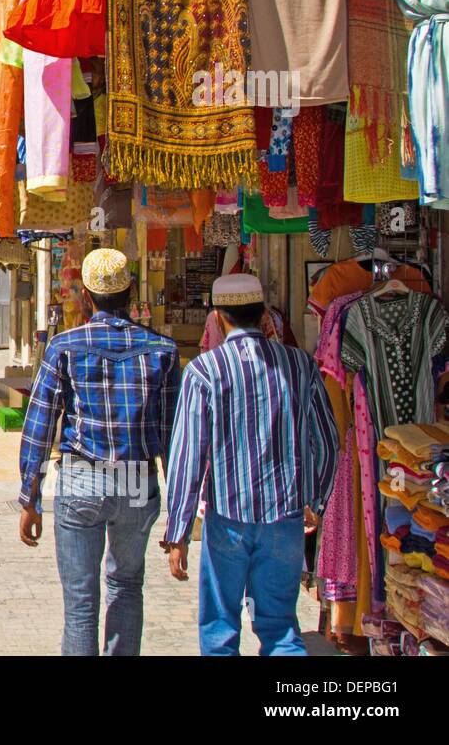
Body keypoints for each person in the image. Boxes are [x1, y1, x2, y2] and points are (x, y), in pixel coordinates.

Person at [161, 273, 339, 657]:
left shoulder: (204, 371)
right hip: (284, 517)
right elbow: (327, 442)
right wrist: (315, 501)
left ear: (219, 317)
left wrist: (178, 531)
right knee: (279, 627)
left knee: (220, 628)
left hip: (228, 520)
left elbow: (188, 456)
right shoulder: (300, 365)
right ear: (262, 315)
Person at [18, 248, 181, 656]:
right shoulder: (162, 349)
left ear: (87, 296)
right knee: (126, 586)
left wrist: (29, 496)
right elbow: (172, 438)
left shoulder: (64, 346)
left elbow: (40, 426)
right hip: (137, 481)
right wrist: (179, 513)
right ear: (131, 294)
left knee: (81, 602)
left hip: (82, 479)